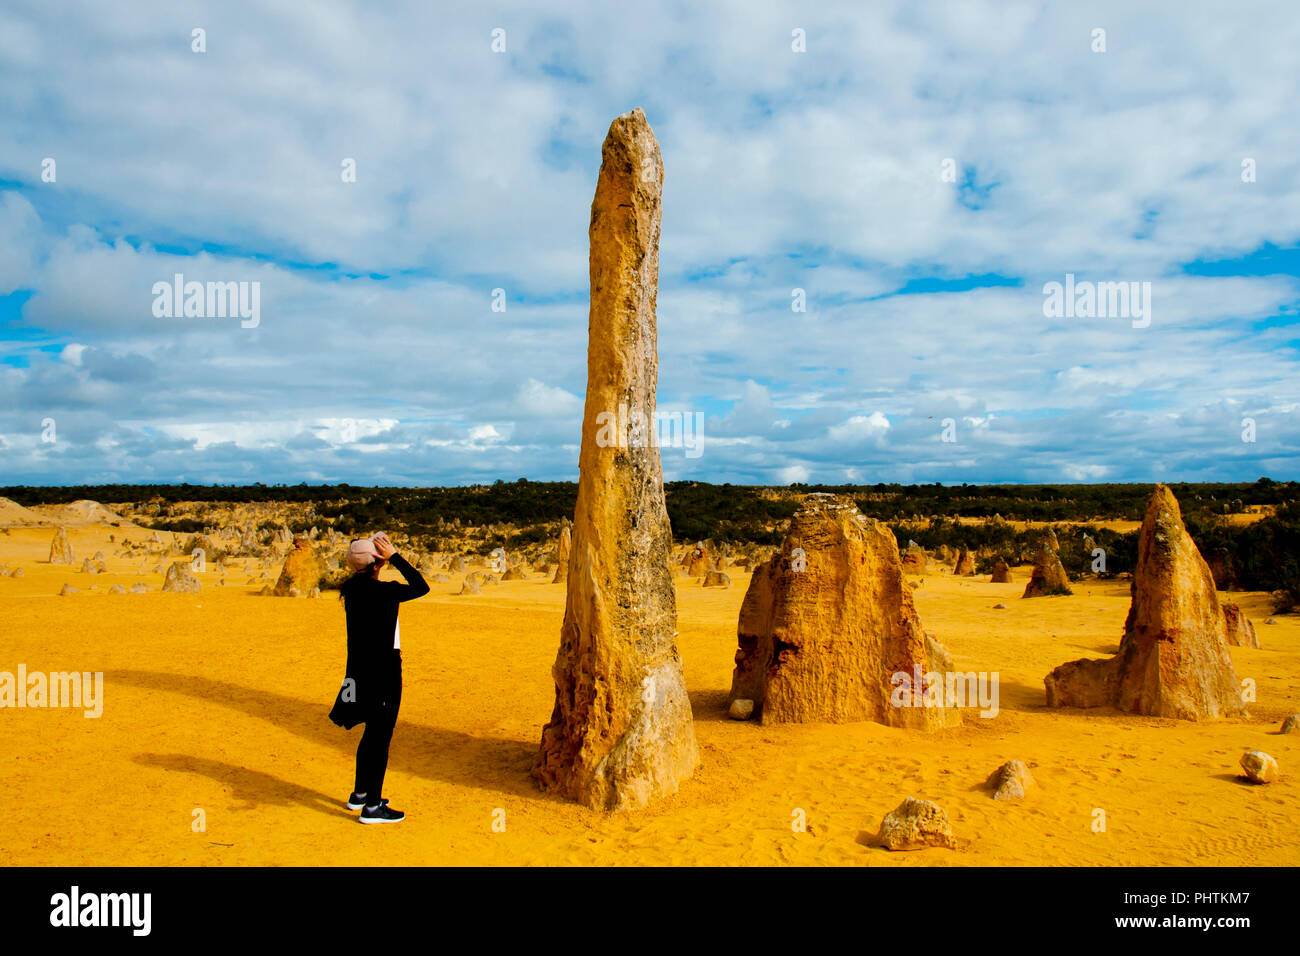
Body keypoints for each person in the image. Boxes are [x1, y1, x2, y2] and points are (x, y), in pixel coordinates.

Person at [328, 531, 428, 823]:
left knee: (369, 735)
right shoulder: (384, 593)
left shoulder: (351, 592)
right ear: (377, 564)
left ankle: (360, 794)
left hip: (357, 675)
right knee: (379, 739)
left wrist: (375, 559)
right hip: (383, 676)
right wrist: (395, 556)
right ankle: (373, 807)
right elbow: (421, 587)